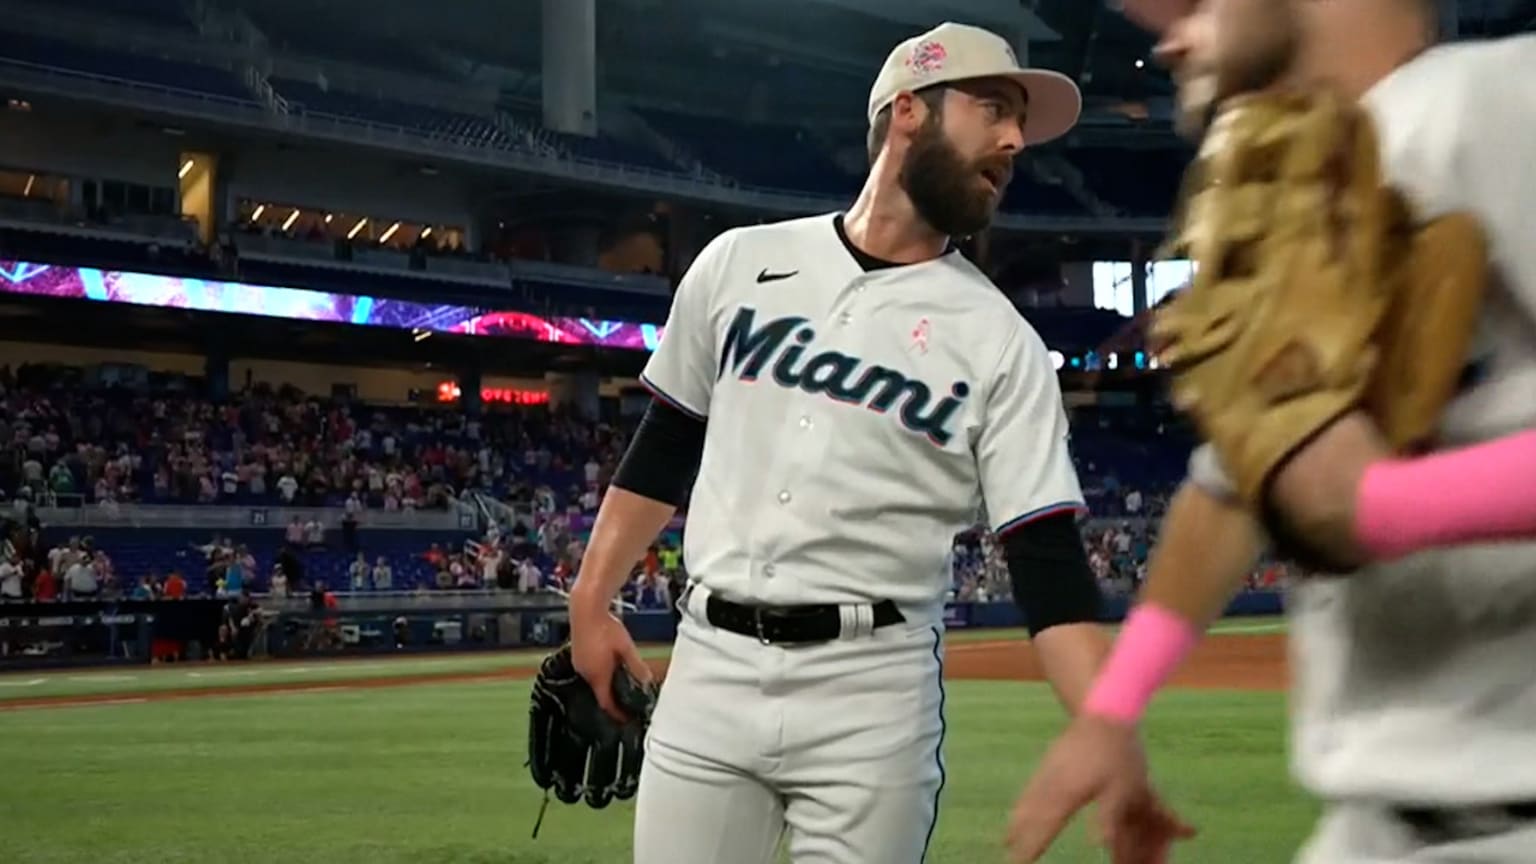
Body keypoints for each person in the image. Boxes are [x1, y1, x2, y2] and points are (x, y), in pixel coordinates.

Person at [567, 21, 1190, 864]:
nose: (1014, 139)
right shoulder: (739, 263)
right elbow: (667, 441)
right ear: (908, 113)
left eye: (1019, 124)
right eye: (992, 108)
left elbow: (1047, 559)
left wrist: (1109, 726)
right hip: (705, 675)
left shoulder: (1000, 341)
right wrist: (590, 597)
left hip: (873, 696)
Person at [1008, 2, 1536, 862]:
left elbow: (1337, 496)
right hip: (1370, 824)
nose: (1169, 37)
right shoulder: (1304, 175)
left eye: (1194, 5)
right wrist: (1112, 712)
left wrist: (1385, 505)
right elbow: (1230, 489)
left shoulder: (1500, 97)